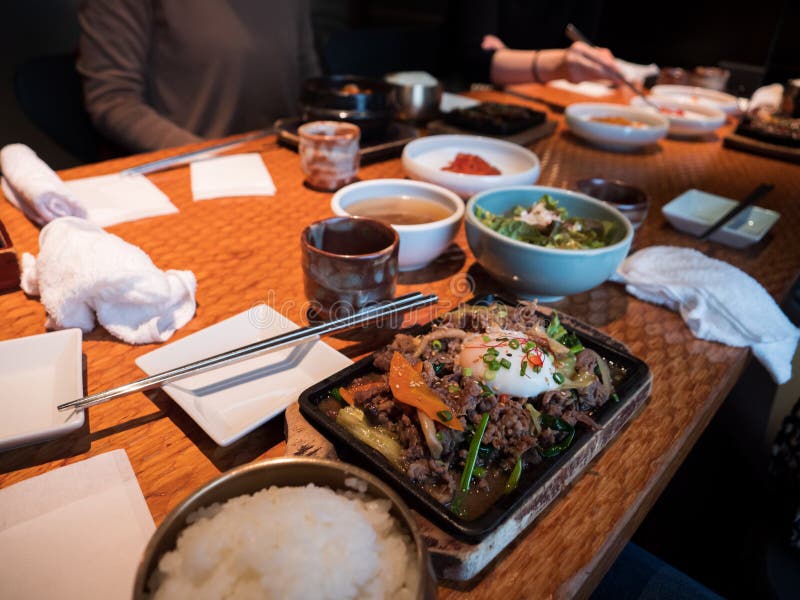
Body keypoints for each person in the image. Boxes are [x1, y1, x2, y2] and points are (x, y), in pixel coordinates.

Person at [77, 0, 321, 153]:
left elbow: (308, 74)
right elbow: (113, 100)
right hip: (189, 172)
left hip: (289, 159)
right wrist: (210, 155)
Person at [451, 0, 622, 87]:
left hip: (544, 100)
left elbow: (583, 49)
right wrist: (559, 64)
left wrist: (509, 60)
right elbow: (475, 60)